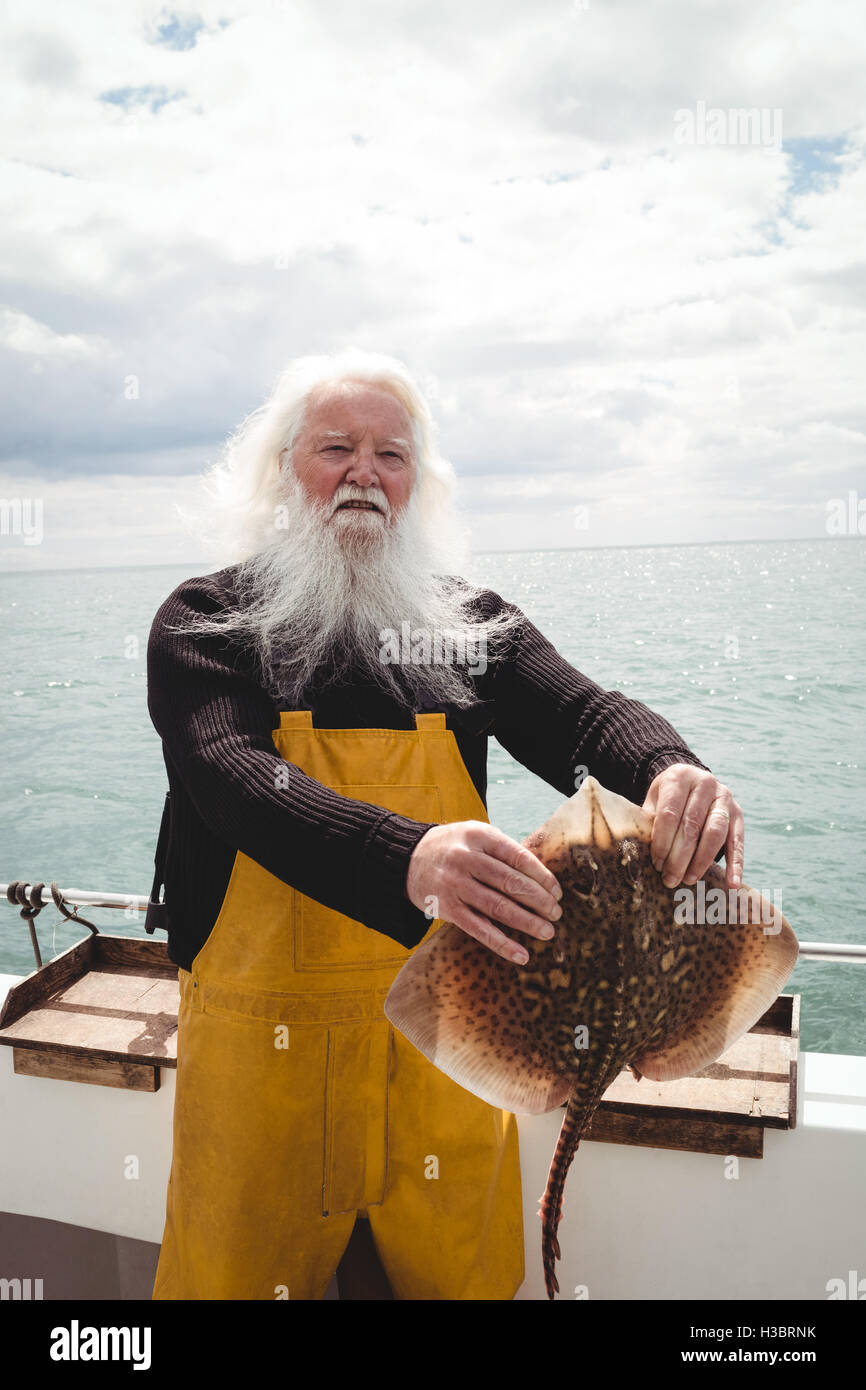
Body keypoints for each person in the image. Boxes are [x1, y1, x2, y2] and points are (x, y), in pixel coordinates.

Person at [146, 348, 743, 1301]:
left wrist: (670, 768)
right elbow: (231, 776)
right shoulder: (207, 623)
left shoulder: (470, 628)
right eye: (335, 447)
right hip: (268, 1070)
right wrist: (408, 858)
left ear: (416, 484)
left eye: (392, 454)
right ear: (281, 471)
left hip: (454, 1041)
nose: (364, 474)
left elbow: (584, 719)